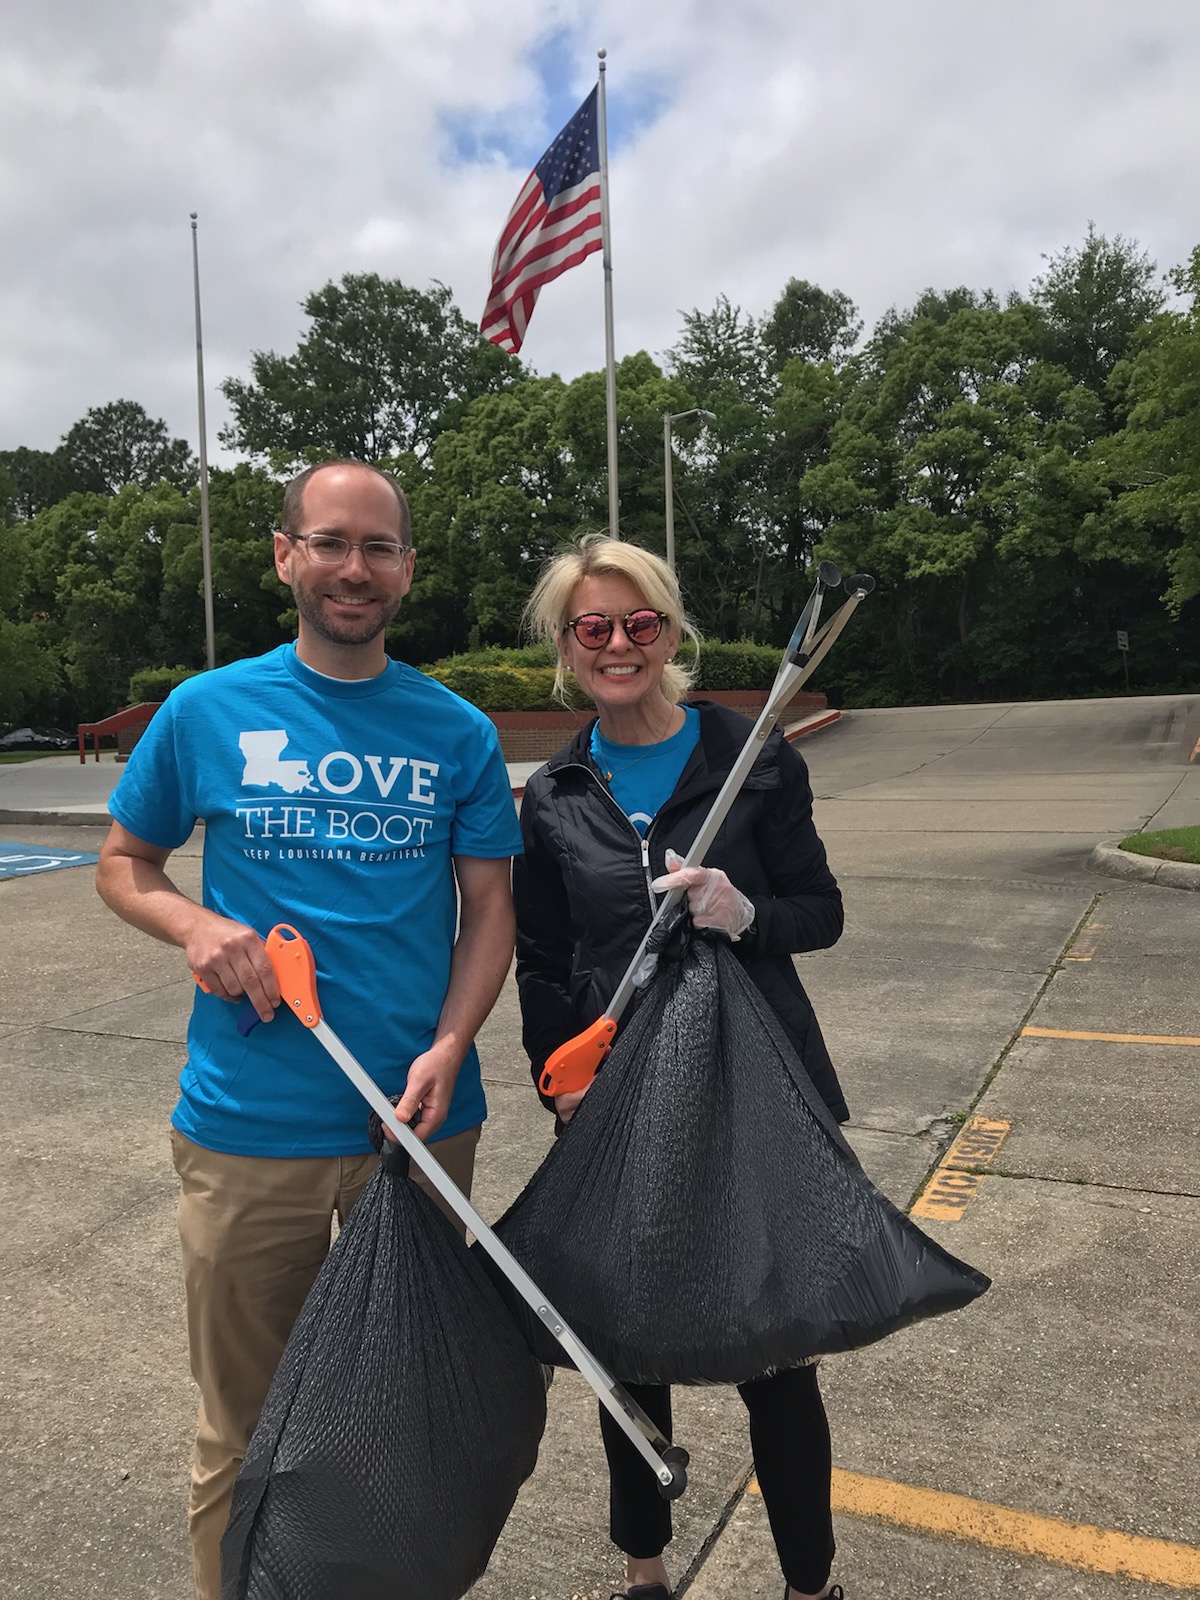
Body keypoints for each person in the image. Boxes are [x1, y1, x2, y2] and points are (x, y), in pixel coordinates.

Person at [95, 460, 522, 1600]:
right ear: (285, 555)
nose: (354, 567)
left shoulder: (458, 730)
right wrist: (191, 922)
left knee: (409, 1418)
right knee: (245, 1427)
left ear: (407, 570)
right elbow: (124, 865)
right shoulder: (207, 709)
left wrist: (449, 1043)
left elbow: (490, 912)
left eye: (379, 548)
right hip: (248, 1131)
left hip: (420, 1127)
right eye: (330, 542)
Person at [513, 535, 847, 1600]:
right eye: (594, 628)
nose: (619, 645)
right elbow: (543, 958)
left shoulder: (750, 757)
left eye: (640, 624)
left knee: (776, 1352)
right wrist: (555, 1075)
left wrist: (743, 914)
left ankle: (809, 1585)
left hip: (756, 1089)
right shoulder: (556, 792)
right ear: (567, 647)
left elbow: (821, 911)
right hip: (621, 1101)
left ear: (669, 632)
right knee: (628, 1352)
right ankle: (645, 1574)